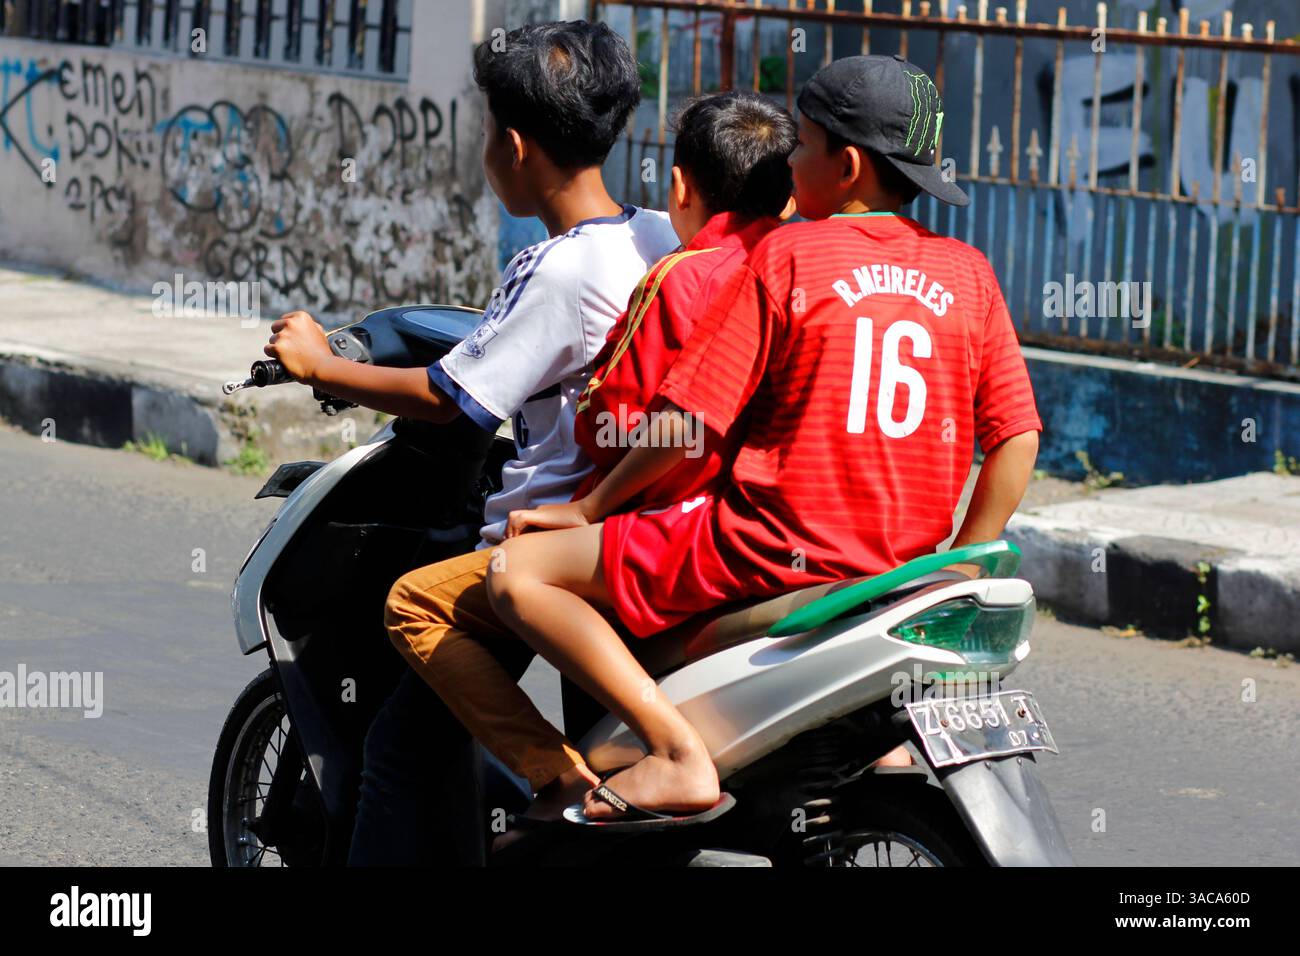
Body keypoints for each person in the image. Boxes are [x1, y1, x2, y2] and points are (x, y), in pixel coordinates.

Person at [488, 55, 1043, 823]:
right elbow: (1015, 435)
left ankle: (674, 753)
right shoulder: (970, 273)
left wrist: (588, 509)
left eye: (804, 146)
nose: (790, 165)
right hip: (900, 571)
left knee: (519, 574)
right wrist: (959, 558)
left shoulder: (789, 255)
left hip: (761, 547)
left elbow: (689, 424)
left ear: (846, 165)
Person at [265, 20, 679, 864]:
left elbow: (450, 399)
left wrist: (319, 364)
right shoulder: (661, 235)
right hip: (640, 520)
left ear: (515, 145)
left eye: (489, 130)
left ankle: (551, 776)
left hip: (546, 539)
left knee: (401, 733)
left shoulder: (554, 269)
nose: (487, 148)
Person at [383, 89, 799, 844]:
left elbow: (625, 423)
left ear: (680, 187)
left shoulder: (679, 272)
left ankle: (558, 777)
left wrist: (589, 499)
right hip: (767, 529)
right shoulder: (795, 266)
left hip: (657, 527)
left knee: (415, 602)